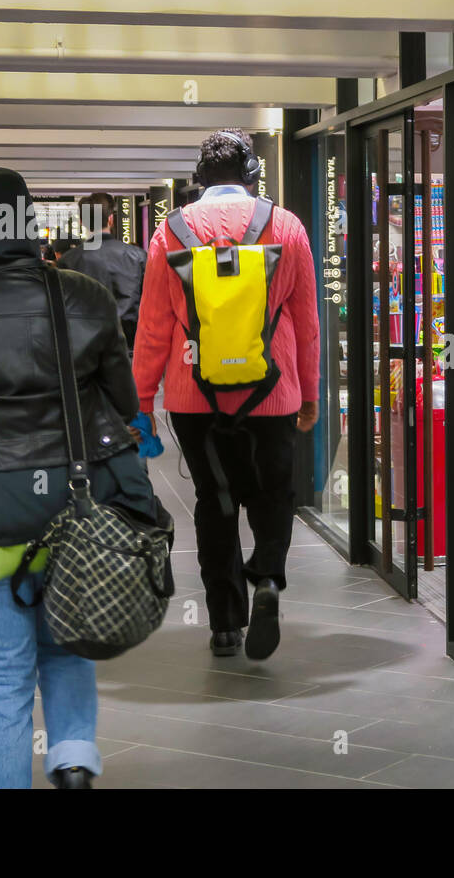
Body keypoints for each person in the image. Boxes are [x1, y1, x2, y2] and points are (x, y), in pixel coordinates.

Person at [0, 167, 153, 788]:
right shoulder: (83, 297)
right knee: (65, 651)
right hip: (77, 511)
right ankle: (71, 765)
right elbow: (123, 403)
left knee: (0, 683)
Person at [133, 129, 319, 660]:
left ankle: (224, 625)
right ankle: (266, 580)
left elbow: (151, 329)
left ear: (199, 178)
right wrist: (308, 393)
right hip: (273, 392)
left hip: (195, 397)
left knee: (214, 504)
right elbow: (306, 324)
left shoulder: (168, 234)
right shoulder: (286, 227)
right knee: (272, 494)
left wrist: (142, 403)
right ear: (253, 174)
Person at [60, 192, 146, 350]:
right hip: (130, 347)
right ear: (111, 220)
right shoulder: (138, 256)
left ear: (81, 222)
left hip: (84, 350)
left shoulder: (68, 260)